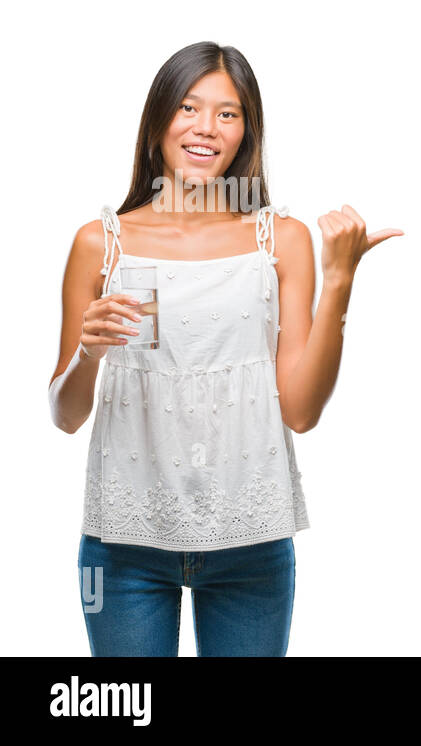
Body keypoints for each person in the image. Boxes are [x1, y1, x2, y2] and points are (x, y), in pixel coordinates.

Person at [48, 41, 402, 656]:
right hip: (124, 549)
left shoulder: (279, 239)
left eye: (228, 113)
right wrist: (89, 351)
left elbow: (300, 413)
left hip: (251, 546)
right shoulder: (99, 242)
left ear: (246, 131)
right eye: (189, 107)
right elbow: (65, 414)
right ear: (158, 119)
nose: (206, 128)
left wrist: (340, 281)